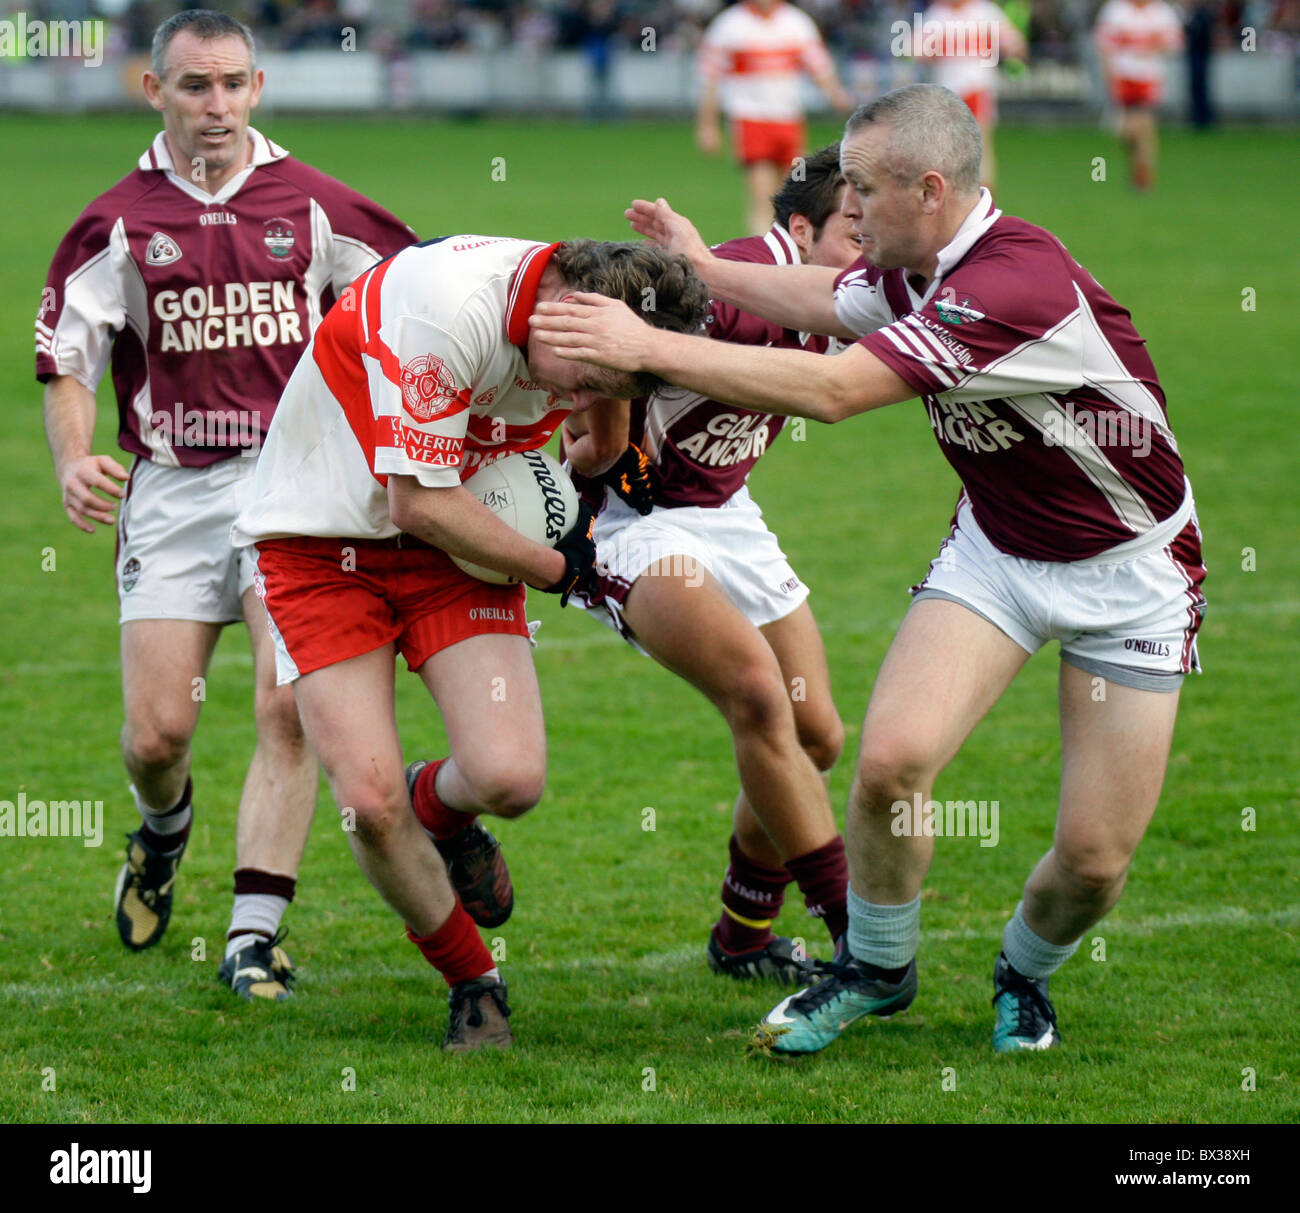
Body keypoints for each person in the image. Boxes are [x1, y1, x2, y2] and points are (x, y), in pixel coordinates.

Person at [530, 83, 1206, 1055]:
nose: (842, 207)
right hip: (996, 548)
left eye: (860, 189)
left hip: (1131, 571)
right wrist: (699, 269)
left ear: (928, 190)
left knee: (1094, 860)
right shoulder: (917, 263)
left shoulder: (1011, 285)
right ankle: (877, 969)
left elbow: (839, 389)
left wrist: (648, 345)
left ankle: (1024, 970)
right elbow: (818, 296)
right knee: (887, 765)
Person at [230, 237, 708, 1050]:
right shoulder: (447, 310)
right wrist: (561, 563)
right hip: (324, 544)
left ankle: (440, 809)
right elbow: (416, 502)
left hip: (458, 543)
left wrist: (596, 469)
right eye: (591, 376)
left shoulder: (592, 328)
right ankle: (473, 978)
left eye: (612, 382)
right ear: (564, 302)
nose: (590, 392)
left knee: (509, 777)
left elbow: (599, 441)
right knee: (370, 804)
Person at [36, 9, 416, 1002]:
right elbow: (65, 359)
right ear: (152, 89)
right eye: (195, 86)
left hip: (292, 493)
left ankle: (254, 933)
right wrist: (75, 458)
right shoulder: (117, 221)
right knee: (157, 736)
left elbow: (409, 302)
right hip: (168, 494)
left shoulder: (316, 202)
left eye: (235, 84)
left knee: (285, 705)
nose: (218, 105)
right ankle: (163, 837)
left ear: (258, 89)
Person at [561, 146, 860, 984]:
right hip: (639, 519)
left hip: (726, 512)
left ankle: (742, 936)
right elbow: (605, 337)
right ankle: (859, 940)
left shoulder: (850, 296)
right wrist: (599, 446)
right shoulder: (730, 286)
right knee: (760, 698)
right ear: (799, 229)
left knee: (816, 733)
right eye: (855, 229)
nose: (873, 252)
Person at [697, 0, 854, 236]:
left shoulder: (796, 22)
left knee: (794, 192)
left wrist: (837, 96)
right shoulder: (729, 25)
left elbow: (820, 67)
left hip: (789, 120)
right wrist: (707, 126)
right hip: (750, 119)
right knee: (763, 195)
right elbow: (710, 79)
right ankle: (764, 254)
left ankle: (789, 255)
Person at [916, 0, 1027, 193]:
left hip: (977, 87)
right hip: (946, 90)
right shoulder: (937, 14)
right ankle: (949, 192)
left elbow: (1016, 46)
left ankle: (983, 195)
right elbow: (917, 52)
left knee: (979, 143)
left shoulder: (984, 11)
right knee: (945, 143)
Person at [1094, 0, 1185, 190]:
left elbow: (1174, 43)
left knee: (1145, 123)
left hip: (1149, 77)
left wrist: (1150, 48)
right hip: (1122, 76)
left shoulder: (1161, 12)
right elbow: (1104, 44)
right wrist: (1108, 74)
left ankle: (1144, 173)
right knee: (1125, 131)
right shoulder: (1115, 10)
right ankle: (1136, 164)